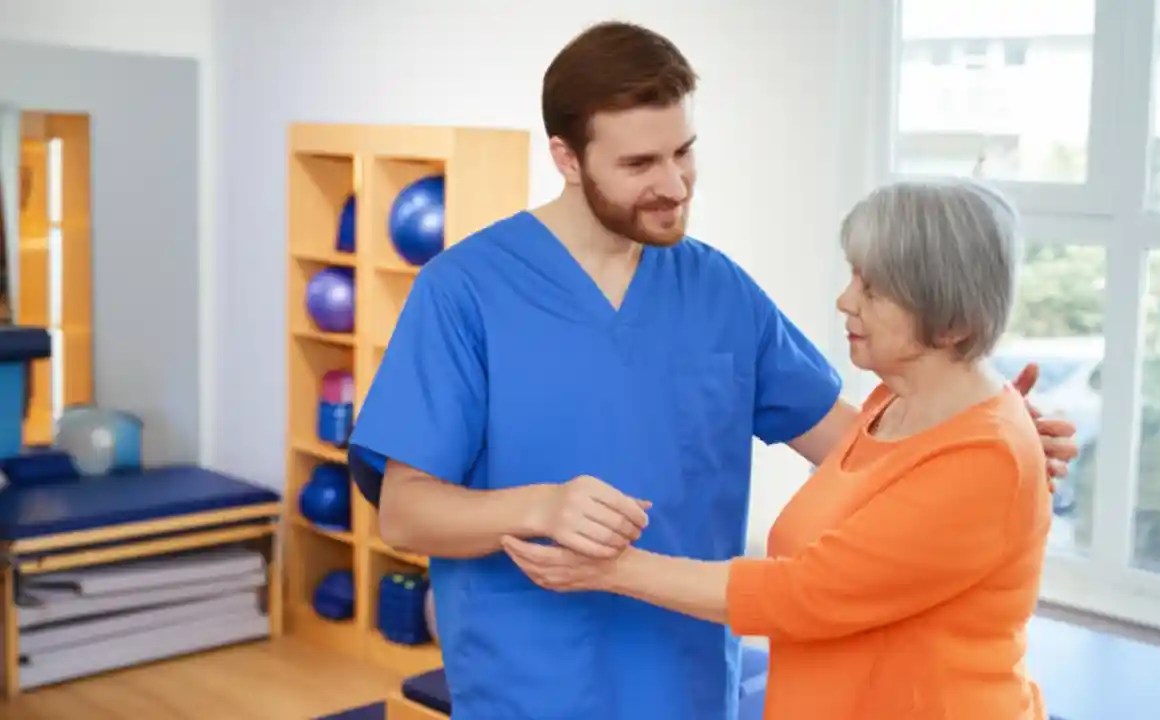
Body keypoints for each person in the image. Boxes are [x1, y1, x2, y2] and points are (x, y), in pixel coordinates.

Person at [347, 20, 1076, 720]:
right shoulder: (465, 291)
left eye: (684, 152)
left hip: (688, 685)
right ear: (567, 159)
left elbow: (852, 451)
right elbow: (407, 510)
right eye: (639, 165)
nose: (675, 185)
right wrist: (536, 507)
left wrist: (976, 435)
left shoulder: (719, 291)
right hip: (531, 687)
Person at [504, 178, 1053, 719]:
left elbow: (804, 594)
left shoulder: (986, 456)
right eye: (854, 278)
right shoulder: (892, 406)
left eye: (873, 290)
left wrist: (610, 570)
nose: (845, 301)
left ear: (953, 323)